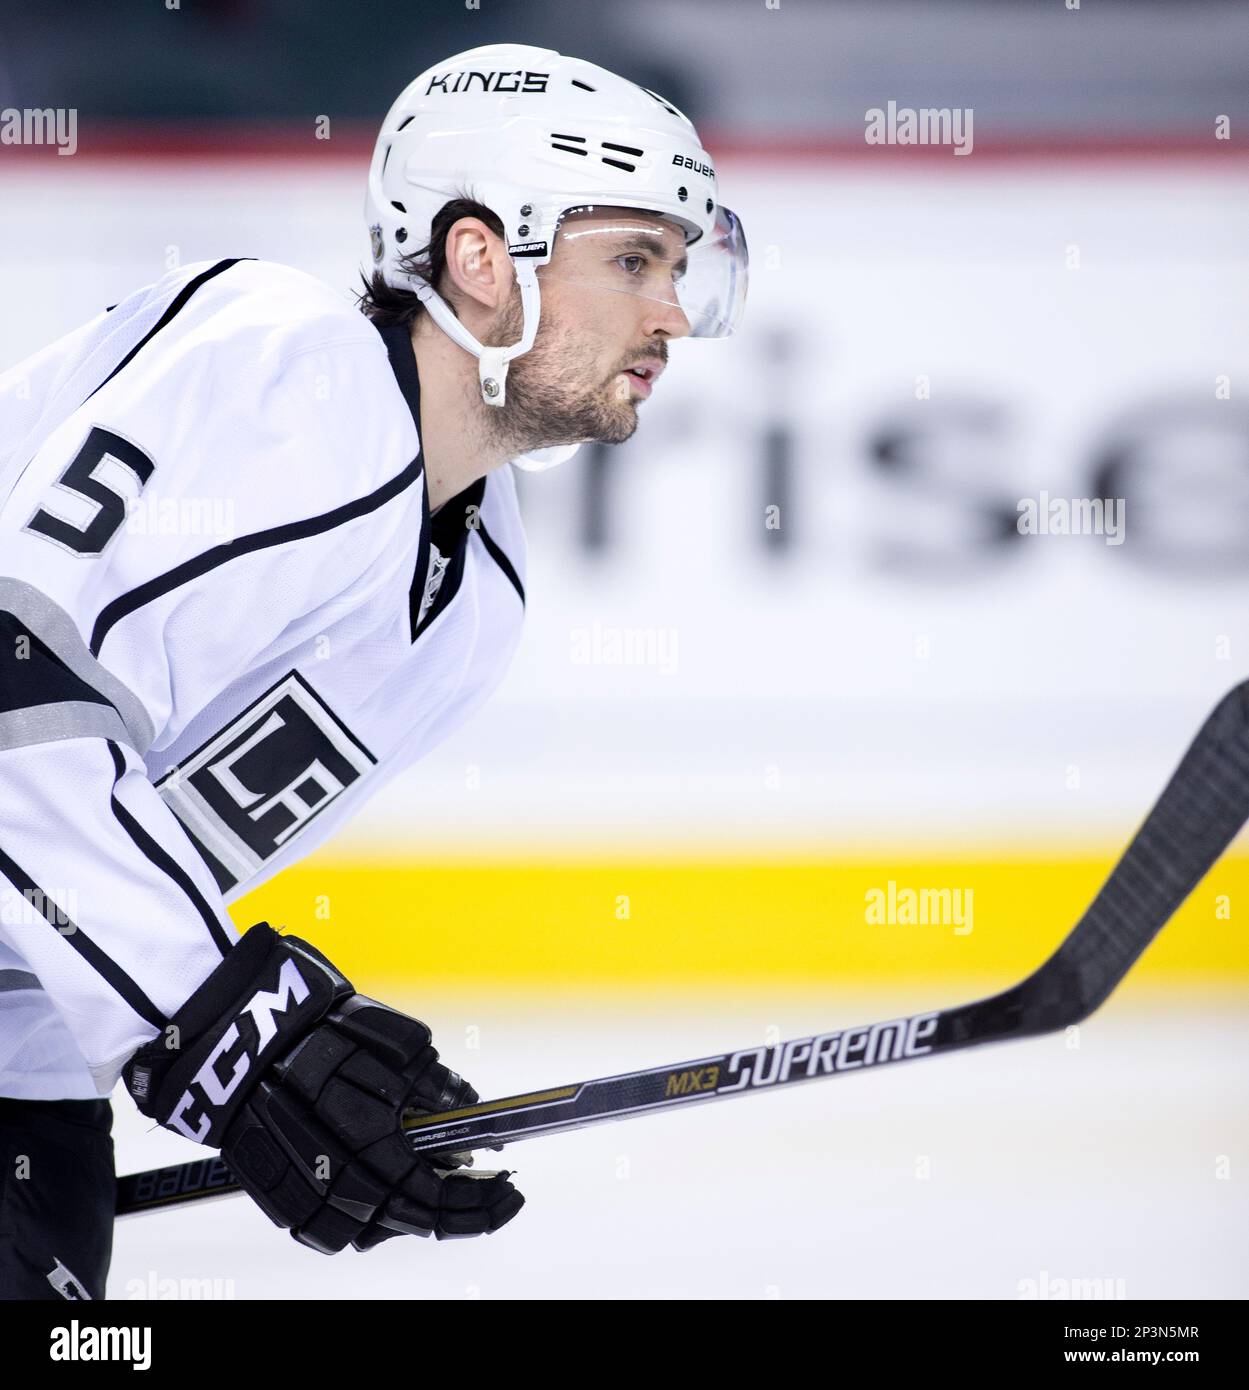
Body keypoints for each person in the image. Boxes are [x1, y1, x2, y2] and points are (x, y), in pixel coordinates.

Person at [0, 41, 747, 1298]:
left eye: (677, 270)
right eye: (631, 262)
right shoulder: (288, 370)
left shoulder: (473, 596)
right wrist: (243, 1034)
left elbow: (110, 854)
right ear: (477, 258)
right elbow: (16, 691)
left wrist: (319, 1085)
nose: (670, 313)